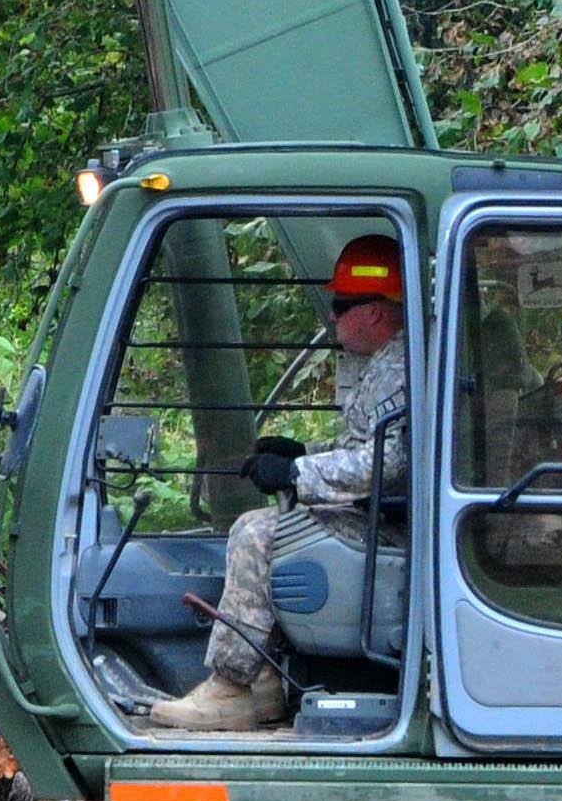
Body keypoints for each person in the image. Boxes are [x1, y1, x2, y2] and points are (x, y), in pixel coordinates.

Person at [147, 234, 410, 733]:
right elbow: (367, 447)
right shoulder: (389, 363)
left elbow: (391, 464)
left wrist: (295, 474)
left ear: (374, 312)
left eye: (341, 305)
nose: (332, 317)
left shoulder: (399, 368)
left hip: (394, 524)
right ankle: (266, 680)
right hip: (382, 514)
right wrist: (301, 453)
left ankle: (230, 686)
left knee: (256, 532)